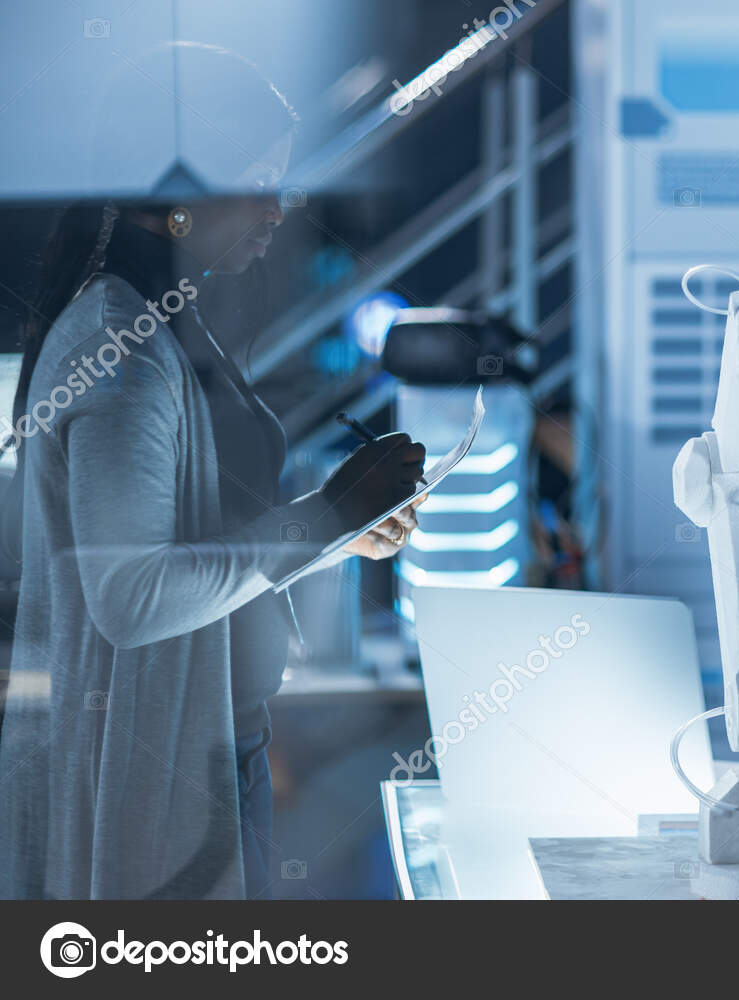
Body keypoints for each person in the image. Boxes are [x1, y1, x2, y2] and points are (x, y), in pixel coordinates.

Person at [0, 43, 425, 899]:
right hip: (165, 778)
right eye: (260, 178)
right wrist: (326, 517)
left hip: (210, 746)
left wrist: (335, 531)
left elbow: (198, 549)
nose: (280, 206)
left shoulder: (152, 332)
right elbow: (135, 597)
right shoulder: (123, 353)